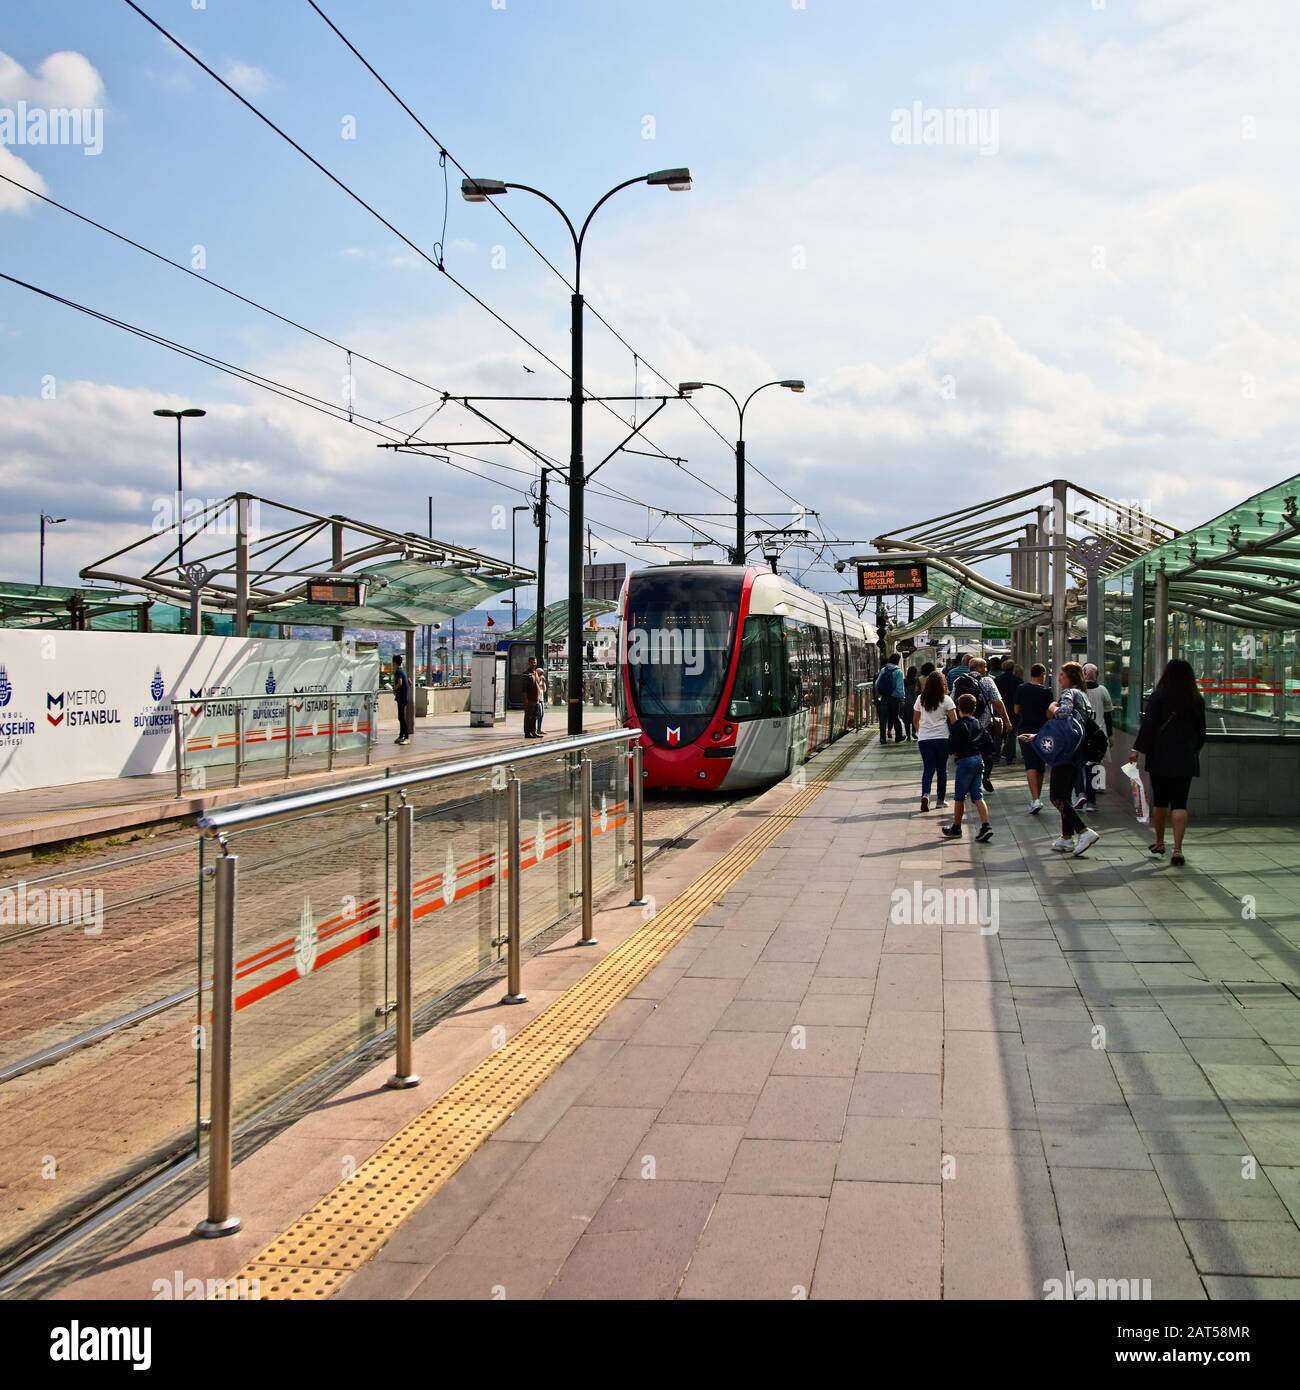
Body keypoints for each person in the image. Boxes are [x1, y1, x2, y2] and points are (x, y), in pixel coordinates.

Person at [1130, 658, 1206, 866]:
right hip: (1185, 758)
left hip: (1160, 756)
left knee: (1161, 801)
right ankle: (1178, 849)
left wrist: (1137, 749)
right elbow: (1201, 733)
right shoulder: (1196, 699)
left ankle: (1160, 842)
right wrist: (1192, 750)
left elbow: (1148, 727)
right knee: (1180, 802)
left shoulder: (1158, 697)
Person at [1033, 661, 1100, 857]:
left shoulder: (1069, 693)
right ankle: (1065, 838)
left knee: (1056, 797)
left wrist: (1053, 706)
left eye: (1062, 675)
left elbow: (1064, 712)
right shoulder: (1084, 696)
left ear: (1070, 676)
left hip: (1065, 753)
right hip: (1077, 752)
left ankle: (1083, 831)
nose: (1059, 678)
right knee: (1066, 795)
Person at [941, 692, 994, 841]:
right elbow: (988, 742)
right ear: (974, 708)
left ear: (958, 708)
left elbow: (952, 746)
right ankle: (985, 826)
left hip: (965, 761)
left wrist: (953, 751)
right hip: (978, 760)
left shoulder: (959, 725)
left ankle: (956, 828)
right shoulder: (977, 723)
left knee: (959, 796)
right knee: (977, 795)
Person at [960, 657, 1012, 795]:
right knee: (988, 753)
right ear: (979, 668)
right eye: (984, 667)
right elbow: (997, 702)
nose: (986, 669)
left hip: (965, 727)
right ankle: (986, 776)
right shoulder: (987, 681)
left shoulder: (959, 681)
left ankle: (968, 781)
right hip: (984, 725)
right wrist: (1006, 720)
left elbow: (954, 704)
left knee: (966, 754)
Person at [912, 668, 956, 812]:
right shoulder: (946, 699)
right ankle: (940, 800)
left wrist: (921, 732)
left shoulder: (920, 699)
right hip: (942, 738)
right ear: (942, 684)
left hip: (924, 739)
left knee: (928, 769)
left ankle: (925, 795)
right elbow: (954, 721)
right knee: (942, 770)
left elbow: (915, 720)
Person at [1013, 663, 1052, 813]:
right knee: (1040, 764)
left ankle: (1035, 799)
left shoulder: (1021, 689)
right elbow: (1049, 714)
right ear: (1042, 674)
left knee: (1030, 764)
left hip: (1025, 729)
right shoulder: (1047, 692)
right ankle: (1037, 797)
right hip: (1042, 731)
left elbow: (1016, 710)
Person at [1075, 661, 1114, 812]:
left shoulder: (1076, 690)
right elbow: (1108, 714)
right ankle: (1093, 797)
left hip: (1080, 734)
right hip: (1098, 734)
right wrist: (1110, 736)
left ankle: (1080, 794)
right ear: (1096, 676)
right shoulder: (1103, 690)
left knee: (1078, 765)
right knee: (1094, 765)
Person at [993, 657, 1021, 764]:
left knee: (998, 732)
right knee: (1012, 734)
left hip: (1000, 709)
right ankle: (1010, 756)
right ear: (1013, 668)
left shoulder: (997, 680)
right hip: (1013, 710)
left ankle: (996, 755)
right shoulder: (1018, 681)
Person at [875, 653, 906, 744]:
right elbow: (899, 687)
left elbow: (877, 683)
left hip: (884, 697)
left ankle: (882, 738)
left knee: (883, 718)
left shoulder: (883, 669)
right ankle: (898, 737)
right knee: (895, 717)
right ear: (897, 661)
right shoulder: (898, 672)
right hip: (894, 698)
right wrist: (902, 698)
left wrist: (878, 695)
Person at [522, 655, 545, 738]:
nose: (533, 664)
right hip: (530, 699)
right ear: (529, 663)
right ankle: (527, 733)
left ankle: (533, 731)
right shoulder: (526, 674)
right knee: (528, 717)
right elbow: (524, 688)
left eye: (535, 662)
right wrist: (526, 699)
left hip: (536, 699)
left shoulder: (535, 672)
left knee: (534, 716)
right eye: (532, 662)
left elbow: (538, 684)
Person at [391, 654, 411, 746]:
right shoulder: (403, 671)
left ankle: (406, 737)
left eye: (392, 662)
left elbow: (400, 683)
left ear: (394, 662)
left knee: (401, 718)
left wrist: (394, 689)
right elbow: (409, 682)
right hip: (404, 696)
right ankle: (401, 736)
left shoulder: (398, 672)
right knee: (401, 717)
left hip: (401, 697)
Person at [902, 665, 920, 741]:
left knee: (906, 719)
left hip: (906, 702)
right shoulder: (916, 680)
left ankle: (908, 735)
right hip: (914, 701)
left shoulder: (904, 680)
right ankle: (913, 732)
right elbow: (918, 690)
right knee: (914, 718)